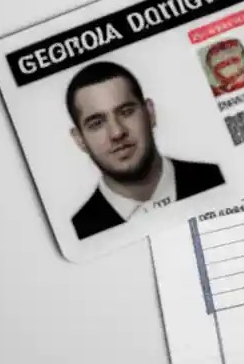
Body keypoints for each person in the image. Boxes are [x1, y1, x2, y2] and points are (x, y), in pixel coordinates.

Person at [67, 61, 223, 240]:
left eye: (126, 112)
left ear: (150, 113)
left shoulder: (217, 178)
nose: (117, 132)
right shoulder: (79, 232)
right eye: (96, 123)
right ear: (80, 139)